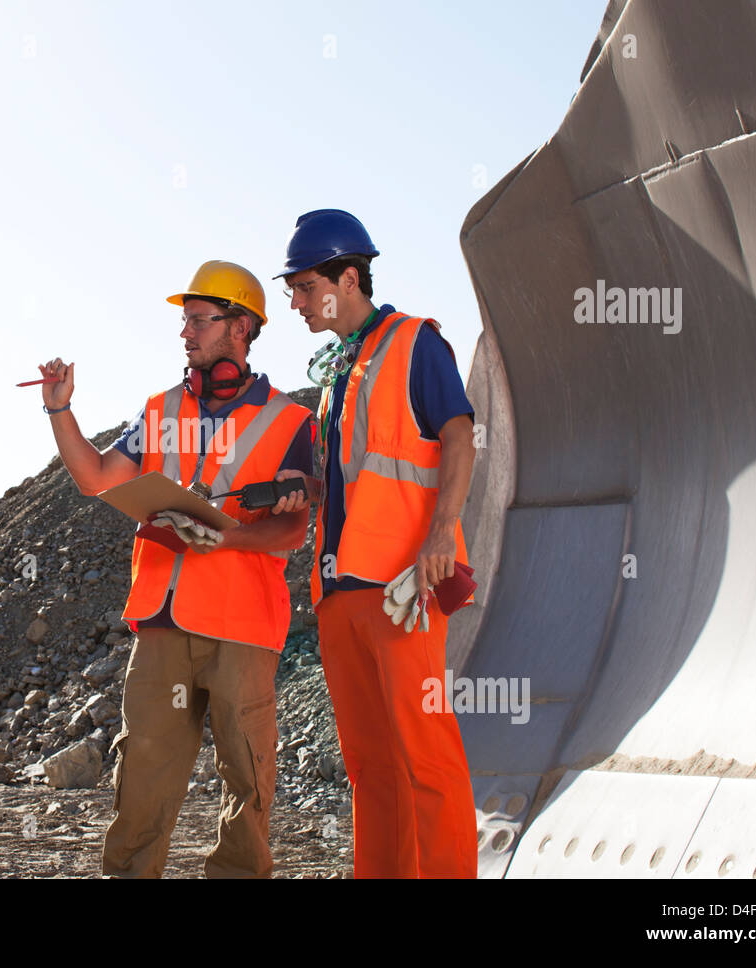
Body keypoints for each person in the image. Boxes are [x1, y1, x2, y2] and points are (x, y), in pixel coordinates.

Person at [36, 260, 315, 877]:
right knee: (143, 779)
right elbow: (95, 477)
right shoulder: (159, 409)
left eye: (198, 321)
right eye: (184, 322)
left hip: (241, 627)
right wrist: (61, 412)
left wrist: (229, 537)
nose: (185, 334)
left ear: (240, 327)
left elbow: (293, 527)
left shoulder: (291, 420)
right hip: (162, 624)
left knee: (247, 784)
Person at [269, 209, 479, 878]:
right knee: (370, 768)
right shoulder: (337, 377)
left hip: (402, 590)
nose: (295, 303)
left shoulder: (416, 343)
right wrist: (300, 487)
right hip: (339, 594)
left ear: (347, 277)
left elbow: (458, 437)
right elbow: (353, 476)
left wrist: (442, 533)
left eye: (302, 287)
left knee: (425, 755)